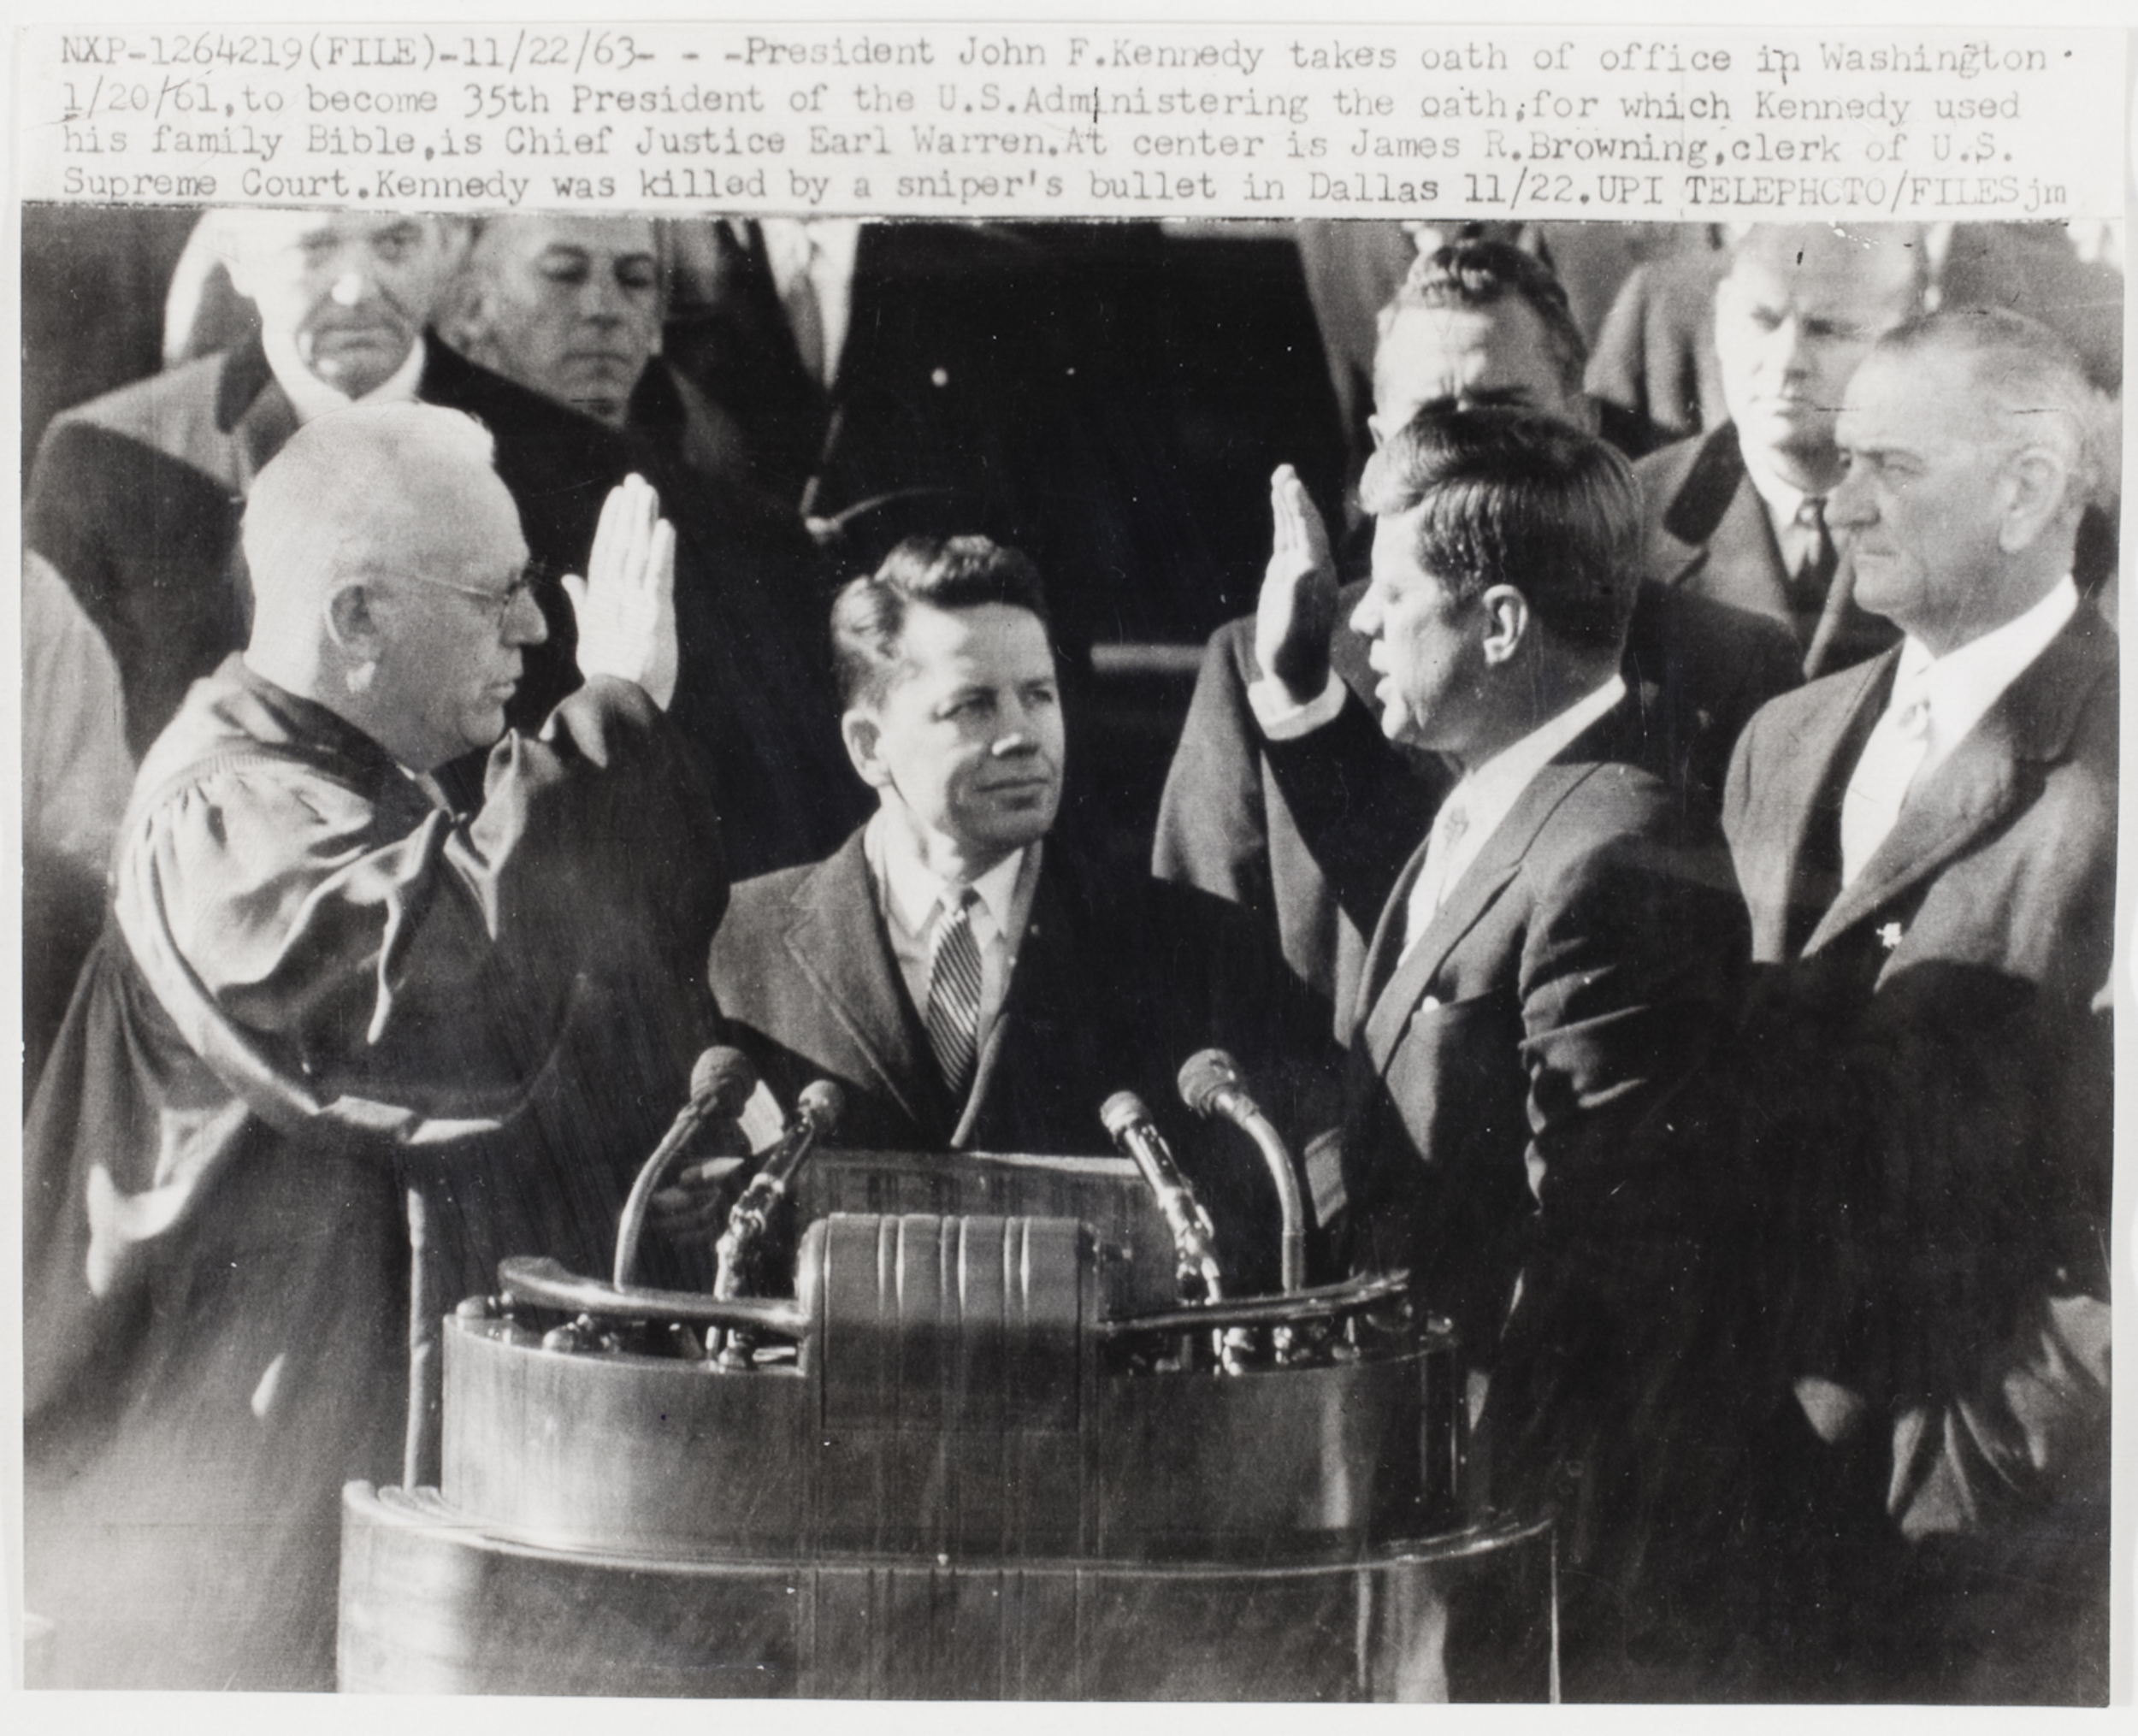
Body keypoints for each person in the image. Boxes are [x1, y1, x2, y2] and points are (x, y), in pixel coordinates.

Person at [22, 404, 727, 1691]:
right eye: (500, 594)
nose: (534, 629)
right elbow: (427, 1012)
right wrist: (615, 710)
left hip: (336, 1482)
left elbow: (480, 1080)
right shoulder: (222, 812)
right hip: (222, 1519)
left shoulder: (367, 792)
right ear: (353, 618)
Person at [1324, 409, 1752, 1693]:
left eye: (1391, 593)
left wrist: (1476, 1568)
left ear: (1500, 625)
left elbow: (1607, 1274)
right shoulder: (1493, 808)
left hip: (1514, 1543)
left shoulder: (1612, 848)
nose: (1360, 625)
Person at [1721, 310, 2113, 1704]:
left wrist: (1982, 1462)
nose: (1845, 497)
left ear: (2024, 491)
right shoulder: (1785, 739)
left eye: (1895, 461)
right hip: (1745, 1516)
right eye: (1843, 457)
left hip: (1987, 1567)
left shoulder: (2113, 770)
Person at [1154, 239, 1797, 1033]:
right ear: (1382, 439)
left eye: (1509, 414)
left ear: (1586, 421)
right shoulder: (1271, 668)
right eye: (1433, 422)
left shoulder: (1724, 664)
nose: (1470, 455)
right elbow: (1207, 987)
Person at [709, 535, 1327, 1282]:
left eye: (1038, 695)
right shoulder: (739, 947)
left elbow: (1258, 1245)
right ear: (869, 747)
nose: (1021, 736)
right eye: (971, 706)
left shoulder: (1193, 952)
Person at [434, 210, 871, 875]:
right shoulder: (437, 508)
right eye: (564, 274)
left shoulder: (733, 519)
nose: (605, 309)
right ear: (469, 308)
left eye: (636, 280)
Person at [1633, 224, 1928, 678]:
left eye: (1828, 330)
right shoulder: (1630, 520)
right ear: (1722, 314)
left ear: (1911, 340)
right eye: (1763, 319)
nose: (1787, 360)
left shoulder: (1964, 515)